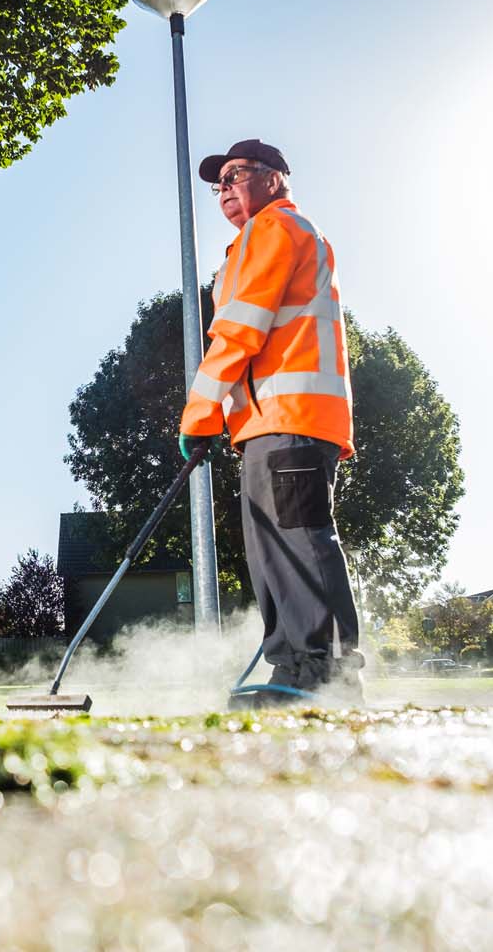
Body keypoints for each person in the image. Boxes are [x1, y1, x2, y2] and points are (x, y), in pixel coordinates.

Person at [177, 139, 363, 707]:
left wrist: (201, 411)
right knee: (272, 553)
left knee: (299, 543)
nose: (224, 189)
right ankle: (293, 670)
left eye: (236, 175)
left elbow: (241, 328)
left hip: (292, 416)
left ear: (274, 178)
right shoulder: (251, 242)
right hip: (267, 424)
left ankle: (325, 677)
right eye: (219, 184)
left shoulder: (277, 228)